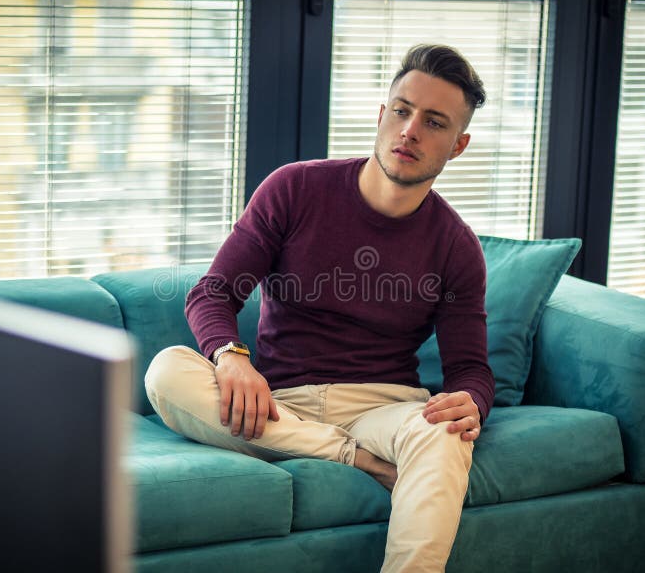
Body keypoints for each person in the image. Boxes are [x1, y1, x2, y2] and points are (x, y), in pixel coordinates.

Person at [145, 44, 495, 573]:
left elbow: (469, 369)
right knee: (168, 370)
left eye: (434, 122)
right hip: (279, 403)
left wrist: (472, 401)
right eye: (401, 110)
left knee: (445, 433)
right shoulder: (295, 188)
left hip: (382, 407)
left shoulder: (456, 246)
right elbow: (213, 292)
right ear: (382, 114)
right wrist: (231, 356)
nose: (410, 130)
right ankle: (351, 458)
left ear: (459, 145)